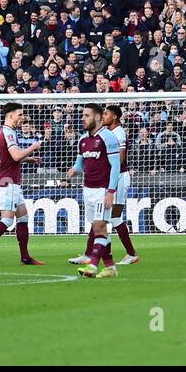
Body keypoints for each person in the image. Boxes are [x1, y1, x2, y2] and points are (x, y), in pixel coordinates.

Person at [0, 102, 46, 267]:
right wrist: (33, 147)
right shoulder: (8, 132)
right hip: (8, 181)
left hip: (11, 179)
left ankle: (25, 256)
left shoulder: (8, 132)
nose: (22, 117)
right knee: (7, 221)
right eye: (20, 114)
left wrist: (28, 159)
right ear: (11, 115)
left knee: (23, 218)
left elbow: (11, 157)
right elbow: (16, 155)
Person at [68, 105, 119, 278]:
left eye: (86, 115)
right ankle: (111, 267)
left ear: (97, 117)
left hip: (103, 189)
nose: (83, 118)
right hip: (87, 189)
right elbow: (80, 164)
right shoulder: (83, 140)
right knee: (100, 230)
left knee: (99, 227)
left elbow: (115, 166)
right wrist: (74, 170)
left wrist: (111, 191)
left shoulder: (108, 138)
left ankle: (93, 266)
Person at [100, 104, 138, 265]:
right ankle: (92, 253)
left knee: (113, 217)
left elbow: (120, 159)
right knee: (101, 216)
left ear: (114, 117)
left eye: (106, 114)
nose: (103, 117)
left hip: (119, 177)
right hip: (111, 178)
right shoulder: (110, 133)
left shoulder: (118, 133)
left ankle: (131, 254)